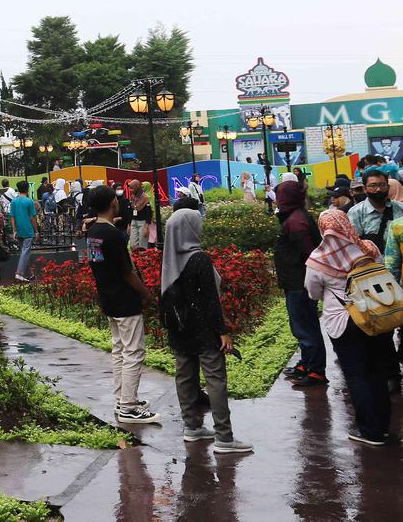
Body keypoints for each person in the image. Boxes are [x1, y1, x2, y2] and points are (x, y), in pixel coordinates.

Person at [161, 209, 252, 453]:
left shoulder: (170, 258)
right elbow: (210, 299)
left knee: (185, 376)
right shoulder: (199, 258)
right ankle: (224, 437)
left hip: (180, 328)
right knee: (215, 380)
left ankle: (192, 426)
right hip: (203, 328)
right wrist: (221, 331)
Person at [305, 209, 395, 446]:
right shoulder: (368, 248)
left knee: (357, 375)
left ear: (323, 229)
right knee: (376, 371)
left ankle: (370, 431)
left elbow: (312, 292)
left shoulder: (318, 259)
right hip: (375, 315)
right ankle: (383, 427)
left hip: (343, 321)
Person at [85, 185, 160, 424]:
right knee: (133, 351)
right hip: (124, 299)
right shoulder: (114, 235)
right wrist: (146, 294)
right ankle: (128, 406)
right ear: (112, 203)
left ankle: (123, 399)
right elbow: (127, 271)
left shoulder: (93, 231)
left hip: (107, 296)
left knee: (119, 350)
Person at [273, 181, 326, 387]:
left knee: (305, 327)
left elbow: (308, 253)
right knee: (302, 326)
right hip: (295, 282)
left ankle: (315, 371)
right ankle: (307, 363)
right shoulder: (294, 217)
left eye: (280, 196)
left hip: (300, 284)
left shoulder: (297, 222)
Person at [348, 169, 403, 254]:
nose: (378, 189)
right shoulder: (356, 212)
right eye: (373, 185)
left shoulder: (400, 208)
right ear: (364, 188)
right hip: (373, 264)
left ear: (388, 187)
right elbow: (354, 244)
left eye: (382, 185)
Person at [10, 181, 38, 282]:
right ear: (27, 189)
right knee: (25, 252)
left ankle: (30, 274)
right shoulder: (29, 201)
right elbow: (33, 217)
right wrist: (36, 231)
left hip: (19, 230)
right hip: (28, 230)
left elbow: (12, 217)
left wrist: (14, 230)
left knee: (24, 252)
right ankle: (19, 273)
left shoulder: (14, 201)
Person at [127, 180, 152, 250]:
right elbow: (129, 212)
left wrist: (147, 226)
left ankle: (142, 260)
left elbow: (148, 213)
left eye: (132, 188)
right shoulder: (132, 198)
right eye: (130, 188)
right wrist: (129, 224)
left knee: (142, 245)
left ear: (137, 188)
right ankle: (136, 258)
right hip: (133, 222)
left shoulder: (145, 199)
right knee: (133, 244)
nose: (130, 190)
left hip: (143, 223)